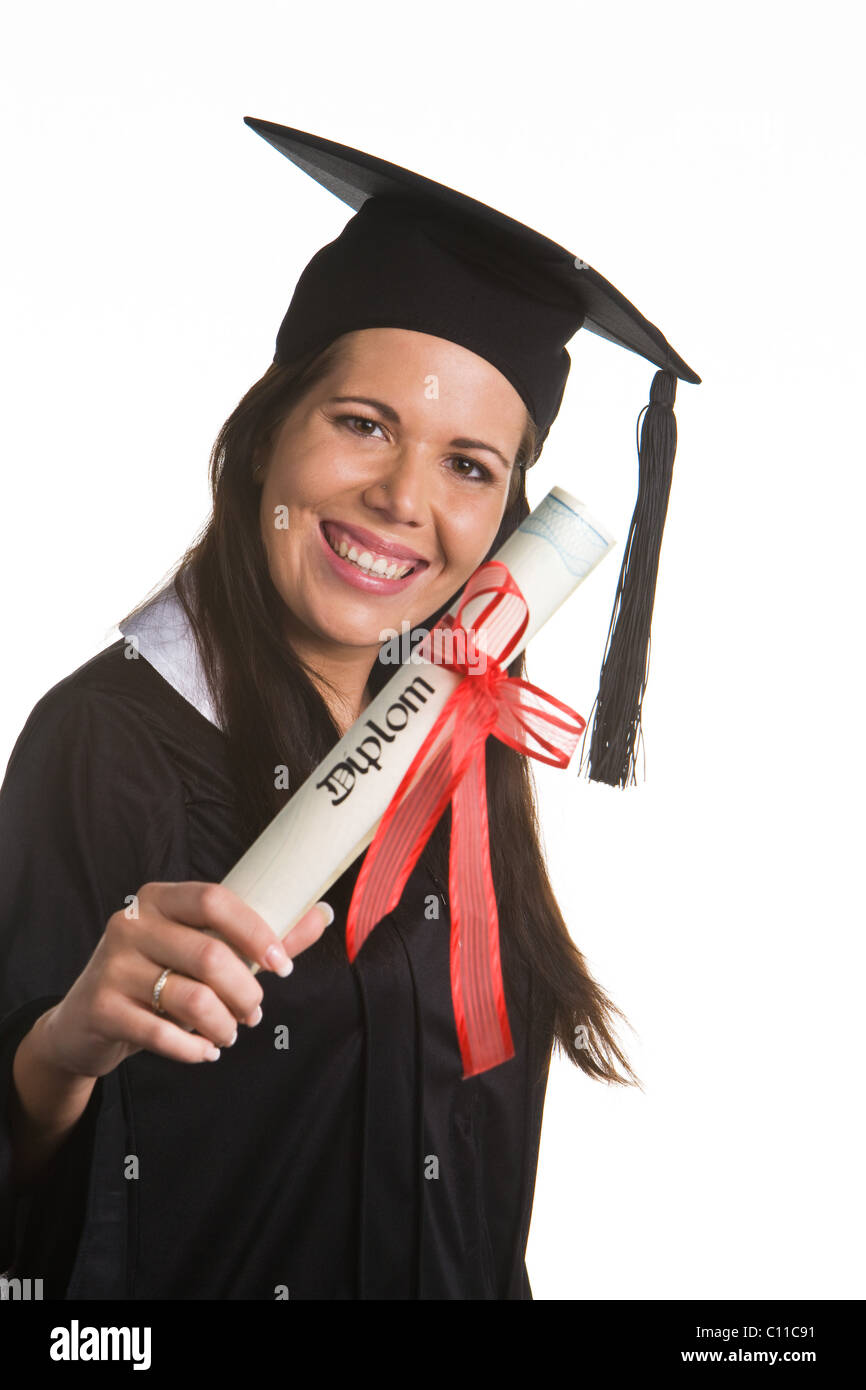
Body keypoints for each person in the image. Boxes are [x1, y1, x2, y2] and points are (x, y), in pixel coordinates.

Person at [0, 120, 699, 1300]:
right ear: (267, 429)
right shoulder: (106, 743)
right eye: (363, 424)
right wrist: (58, 1052)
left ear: (506, 521)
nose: (400, 499)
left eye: (469, 466)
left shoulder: (459, 737)